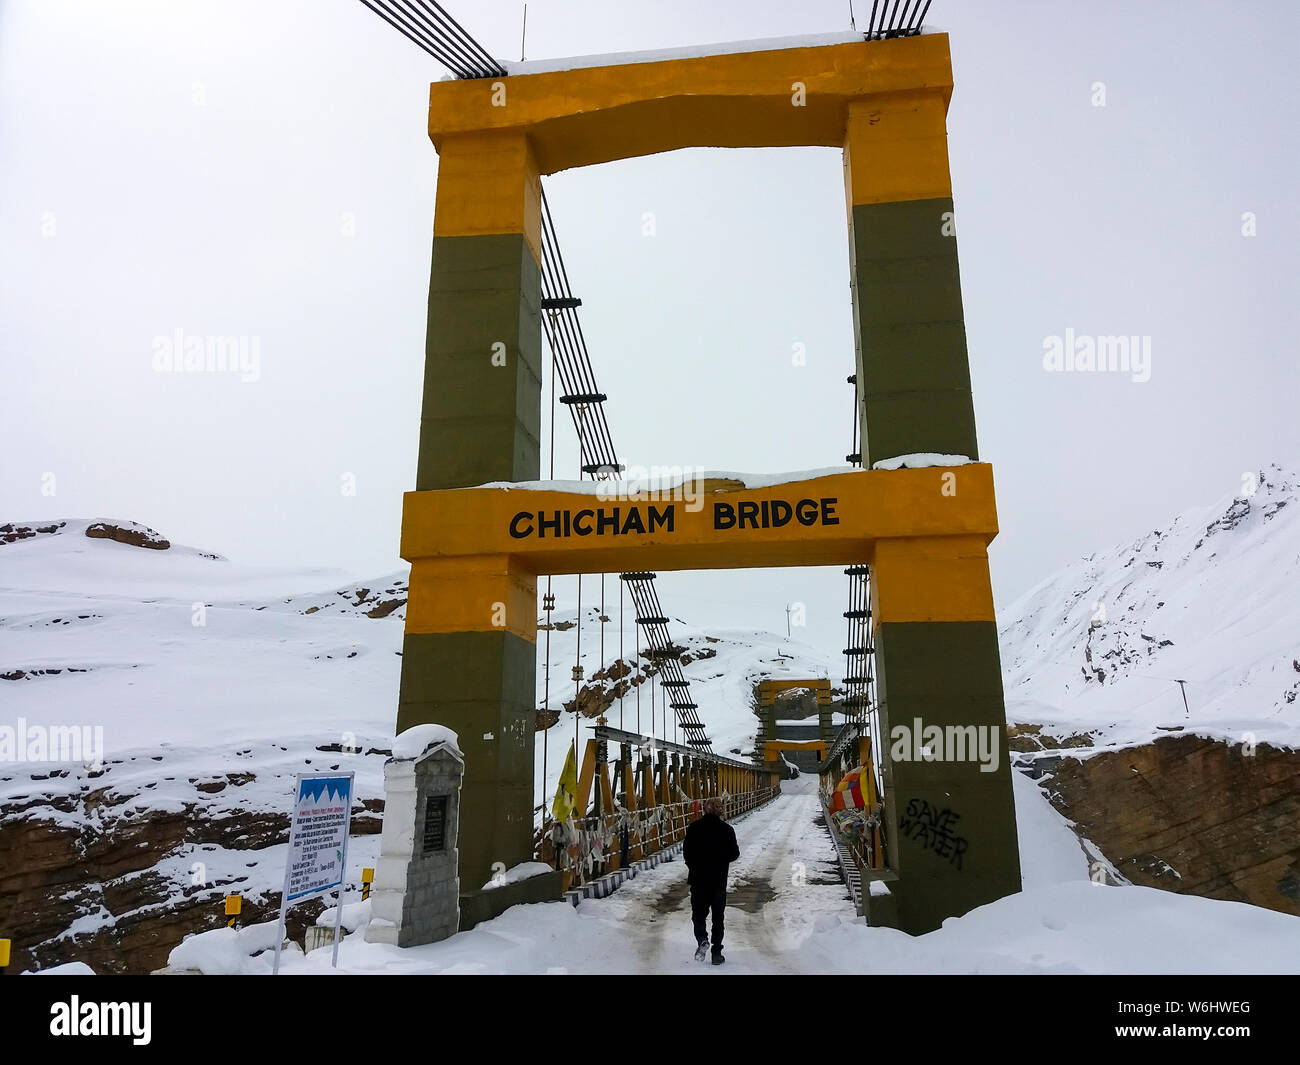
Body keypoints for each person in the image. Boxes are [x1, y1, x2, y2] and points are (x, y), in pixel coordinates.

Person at [682, 795, 740, 965]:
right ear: (721, 810)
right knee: (718, 918)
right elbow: (734, 854)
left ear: (704, 809)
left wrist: (693, 866)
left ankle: (702, 939)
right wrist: (721, 859)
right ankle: (716, 953)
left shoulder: (694, 828)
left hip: (698, 880)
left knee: (698, 915)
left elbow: (687, 852)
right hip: (719, 881)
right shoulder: (727, 830)